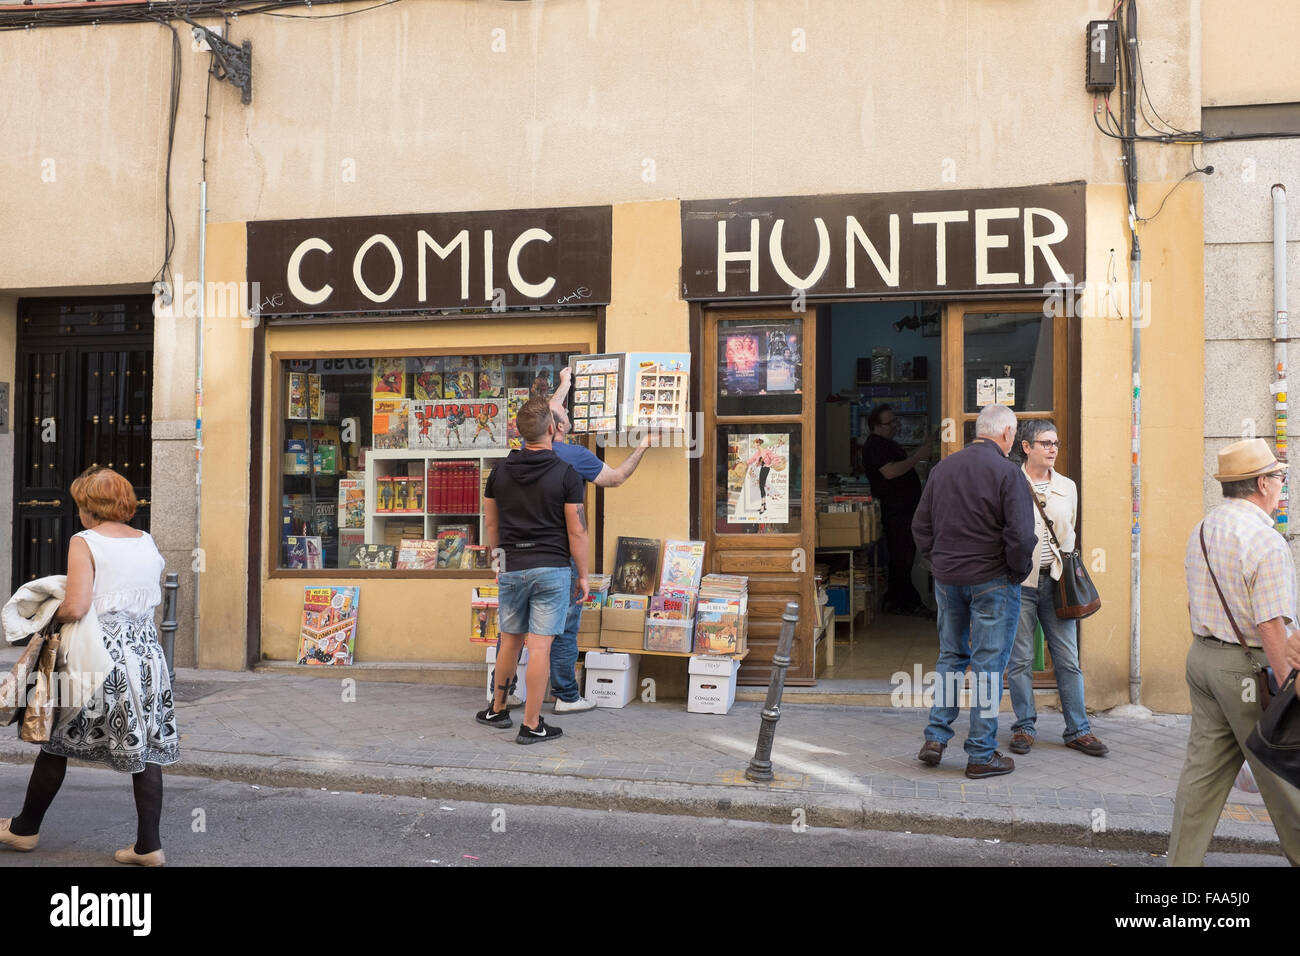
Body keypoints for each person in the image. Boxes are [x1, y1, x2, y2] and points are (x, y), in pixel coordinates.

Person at [0, 466, 178, 865]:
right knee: (144, 748)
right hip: (145, 654)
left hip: (98, 651)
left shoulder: (85, 541)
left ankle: (25, 829)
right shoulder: (146, 541)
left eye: (81, 504)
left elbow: (79, 605)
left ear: (90, 507)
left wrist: (47, 614)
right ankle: (149, 846)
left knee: (58, 739)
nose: (78, 511)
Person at [1169, 438, 1300, 865]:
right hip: (1249, 671)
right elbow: (1271, 624)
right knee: (1283, 780)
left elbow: (1195, 602)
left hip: (1203, 658)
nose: (1283, 485)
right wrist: (1288, 690)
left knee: (1201, 778)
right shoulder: (1266, 541)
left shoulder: (1204, 528)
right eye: (1280, 477)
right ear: (1262, 483)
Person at [912, 404, 1036, 779]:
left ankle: (936, 738)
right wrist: (1017, 571)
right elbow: (1020, 536)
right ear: (1007, 434)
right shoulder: (1007, 473)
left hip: (949, 580)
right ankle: (981, 754)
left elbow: (921, 527)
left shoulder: (942, 469)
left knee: (951, 656)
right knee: (987, 667)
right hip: (993, 580)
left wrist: (940, 562)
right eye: (1013, 434)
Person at [534, 367, 651, 714]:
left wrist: (564, 385)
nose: (569, 413)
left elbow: (552, 411)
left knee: (517, 628)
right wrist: (643, 444)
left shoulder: (523, 453)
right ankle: (566, 696)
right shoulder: (574, 456)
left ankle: (506, 691)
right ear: (557, 427)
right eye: (566, 413)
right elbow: (614, 478)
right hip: (560, 556)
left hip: (522, 556)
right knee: (565, 626)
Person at [477, 397, 589, 743]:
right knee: (540, 647)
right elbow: (577, 531)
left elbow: (491, 526)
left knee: (510, 641)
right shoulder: (567, 474)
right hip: (552, 568)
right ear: (554, 430)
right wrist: (583, 575)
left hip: (512, 567)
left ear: (518, 432)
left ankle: (497, 709)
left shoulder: (498, 472)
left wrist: (498, 566)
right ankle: (531, 724)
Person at [1005, 420, 1108, 758]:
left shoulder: (1068, 486)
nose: (1052, 449)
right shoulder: (1010, 482)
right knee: (1020, 660)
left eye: (1056, 444)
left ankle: (1078, 729)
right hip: (1020, 583)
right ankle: (1024, 726)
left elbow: (1069, 532)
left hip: (1057, 582)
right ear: (1026, 447)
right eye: (1045, 443)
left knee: (1068, 659)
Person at [861, 403, 938, 616]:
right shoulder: (874, 446)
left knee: (905, 555)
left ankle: (899, 600)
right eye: (889, 423)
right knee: (901, 556)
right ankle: (903, 601)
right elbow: (890, 472)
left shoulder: (887, 443)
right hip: (895, 511)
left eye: (895, 421)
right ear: (876, 426)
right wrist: (917, 457)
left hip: (905, 508)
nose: (895, 426)